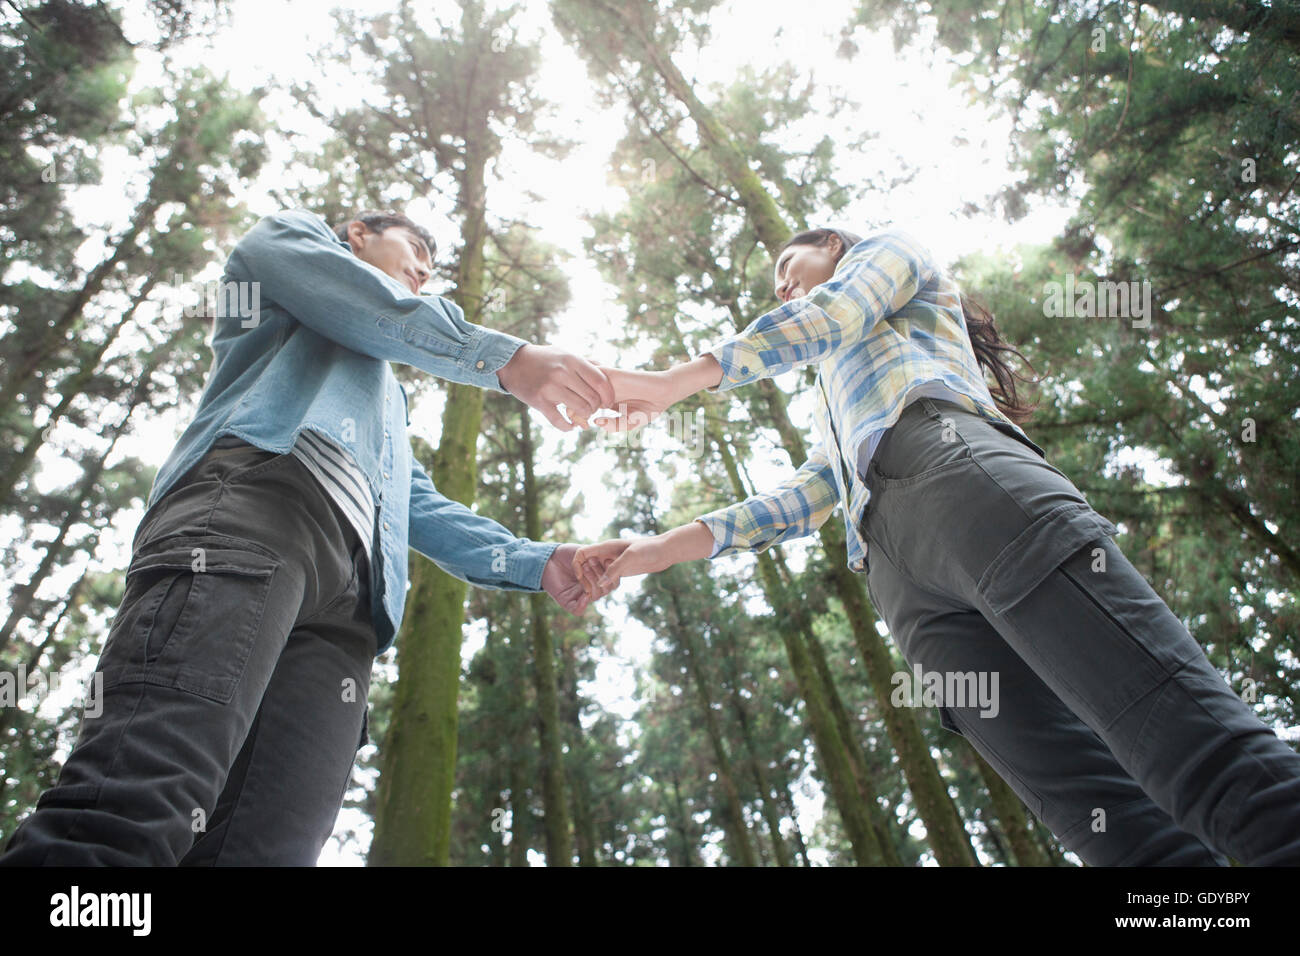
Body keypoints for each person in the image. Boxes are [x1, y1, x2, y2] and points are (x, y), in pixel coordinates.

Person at [572, 226, 1300, 866]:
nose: (784, 287)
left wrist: (672, 383)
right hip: (899, 578)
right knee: (1120, 839)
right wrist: (653, 550)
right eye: (774, 286)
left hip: (959, 478)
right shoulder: (835, 391)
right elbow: (806, 496)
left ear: (834, 246)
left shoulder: (892, 254)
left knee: (1193, 748)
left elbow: (836, 312)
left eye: (789, 268)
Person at [0, 207, 612, 866]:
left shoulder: (385, 399)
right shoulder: (286, 246)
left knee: (268, 850)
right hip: (252, 510)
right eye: (413, 252)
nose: (422, 273)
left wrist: (539, 561)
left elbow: (412, 503)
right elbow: (361, 305)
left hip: (349, 614)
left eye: (432, 271)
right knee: (135, 806)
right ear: (357, 233)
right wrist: (506, 360)